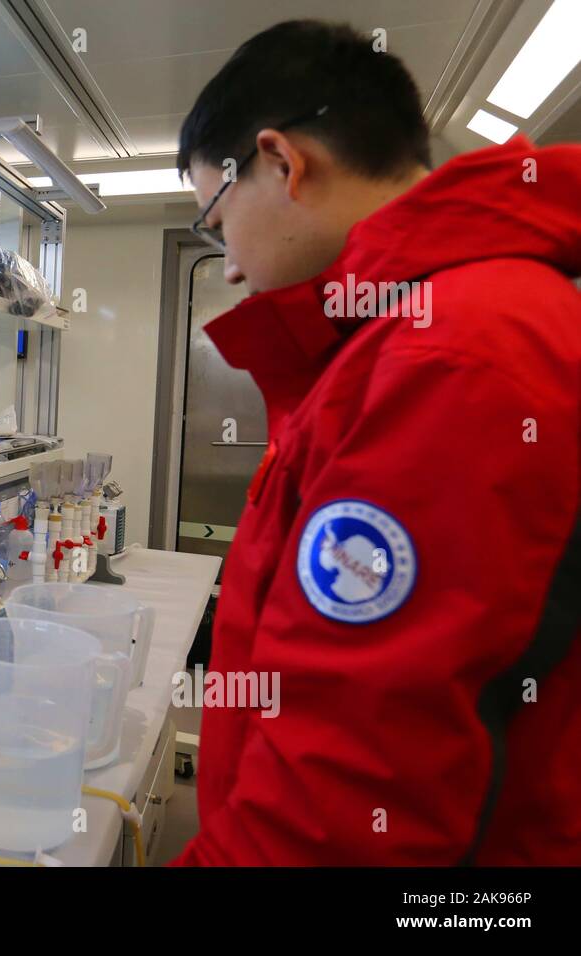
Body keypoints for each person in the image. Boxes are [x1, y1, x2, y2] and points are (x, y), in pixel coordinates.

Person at [171, 20, 580, 864]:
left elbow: (342, 809)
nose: (233, 267)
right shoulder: (403, 338)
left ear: (283, 163)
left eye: (216, 218)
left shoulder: (451, 357)